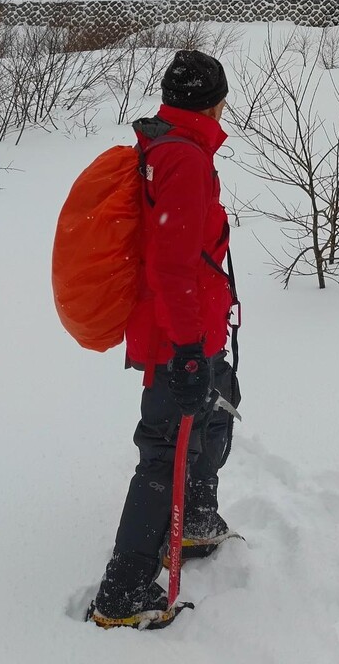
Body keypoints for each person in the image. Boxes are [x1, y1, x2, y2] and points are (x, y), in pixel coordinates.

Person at [90, 49, 241, 628]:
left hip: (194, 323)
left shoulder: (172, 144)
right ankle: (124, 591)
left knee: (215, 410)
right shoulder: (184, 159)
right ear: (214, 100)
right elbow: (173, 265)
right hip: (178, 332)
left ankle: (197, 522)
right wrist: (183, 353)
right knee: (164, 448)